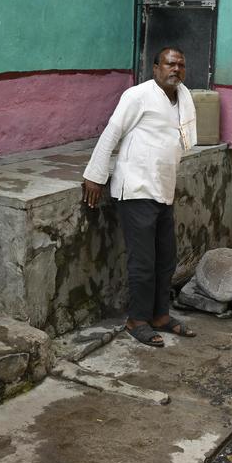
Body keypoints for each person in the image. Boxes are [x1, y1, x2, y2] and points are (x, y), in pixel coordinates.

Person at [82, 46, 197, 347]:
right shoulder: (137, 96)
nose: (176, 70)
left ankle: (160, 315)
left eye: (181, 65)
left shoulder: (182, 98)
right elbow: (112, 131)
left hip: (163, 189)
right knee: (143, 262)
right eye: (170, 64)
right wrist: (96, 175)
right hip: (136, 188)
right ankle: (137, 320)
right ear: (156, 68)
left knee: (166, 259)